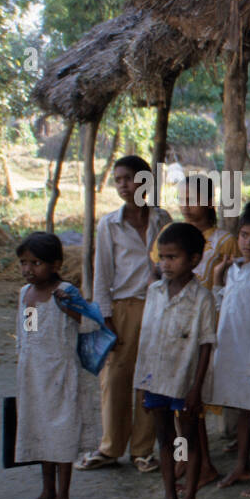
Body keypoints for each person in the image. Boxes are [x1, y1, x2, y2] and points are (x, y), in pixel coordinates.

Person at [76, 155, 172, 473]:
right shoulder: (109, 225)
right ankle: (110, 447)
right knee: (115, 378)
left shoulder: (162, 219)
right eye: (117, 180)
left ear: (145, 181)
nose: (122, 185)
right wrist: (105, 318)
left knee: (149, 377)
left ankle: (142, 450)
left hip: (157, 307)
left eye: (128, 178)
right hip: (121, 308)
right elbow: (101, 275)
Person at [13, 233, 100, 499]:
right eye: (24, 263)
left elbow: (90, 324)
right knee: (41, 433)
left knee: (62, 434)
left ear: (55, 264)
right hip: (34, 376)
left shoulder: (65, 291)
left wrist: (70, 308)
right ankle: (47, 492)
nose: (28, 269)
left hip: (61, 375)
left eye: (35, 263)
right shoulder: (26, 293)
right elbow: (28, 333)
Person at [134, 222, 217, 499]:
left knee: (189, 441)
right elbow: (147, 339)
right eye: (162, 257)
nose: (165, 264)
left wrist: (196, 389)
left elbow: (207, 345)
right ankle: (169, 497)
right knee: (165, 440)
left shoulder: (202, 298)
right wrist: (143, 383)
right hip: (157, 378)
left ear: (194, 259)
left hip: (185, 382)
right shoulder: (154, 292)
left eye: (172, 257)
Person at [209, 206, 250, 488]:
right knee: (242, 409)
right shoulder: (231, 269)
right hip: (231, 348)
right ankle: (242, 465)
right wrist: (216, 279)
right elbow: (222, 304)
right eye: (244, 236)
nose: (248, 243)